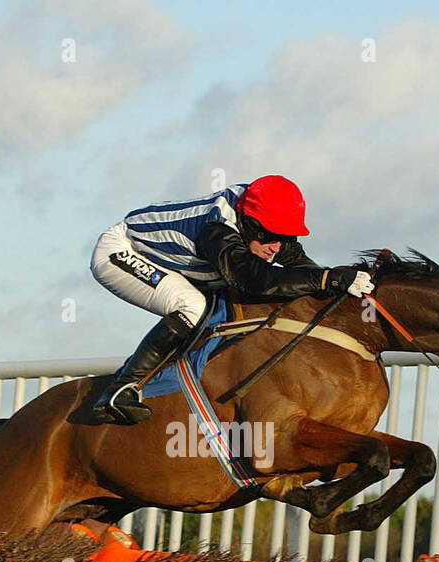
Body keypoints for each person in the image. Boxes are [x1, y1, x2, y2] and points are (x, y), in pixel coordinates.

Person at [88, 175, 375, 425]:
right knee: (193, 305)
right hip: (120, 251)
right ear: (249, 224)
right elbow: (257, 280)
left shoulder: (263, 219)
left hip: (174, 258)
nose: (276, 247)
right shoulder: (218, 229)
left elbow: (302, 268)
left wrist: (343, 283)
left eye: (283, 237)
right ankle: (121, 389)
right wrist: (329, 279)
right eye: (269, 237)